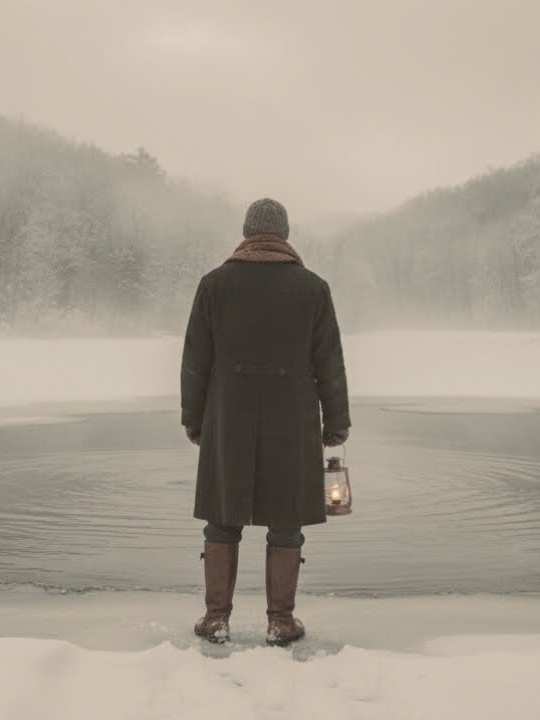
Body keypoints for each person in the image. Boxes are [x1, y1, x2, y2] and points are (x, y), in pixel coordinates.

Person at [180, 197, 351, 646]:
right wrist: (336, 422)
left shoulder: (214, 284)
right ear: (286, 235)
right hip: (291, 419)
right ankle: (281, 621)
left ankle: (216, 618)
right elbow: (329, 361)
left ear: (245, 232)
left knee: (222, 518)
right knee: (286, 519)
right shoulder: (312, 288)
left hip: (228, 416)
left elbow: (195, 360)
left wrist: (194, 419)